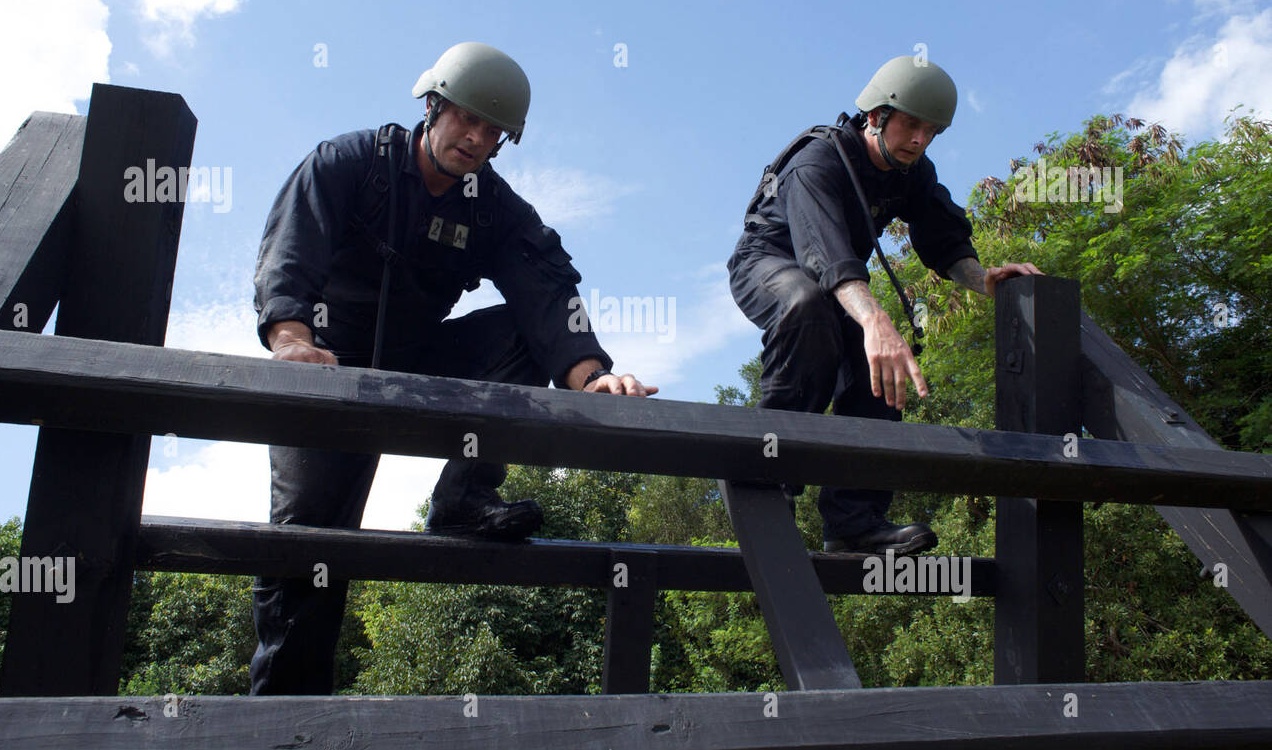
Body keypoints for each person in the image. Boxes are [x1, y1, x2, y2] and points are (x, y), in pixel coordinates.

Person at [250, 42, 655, 694]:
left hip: (417, 362)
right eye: (467, 118)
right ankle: (281, 723)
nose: (476, 138)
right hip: (325, 369)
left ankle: (465, 499)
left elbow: (548, 293)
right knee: (309, 553)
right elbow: (290, 252)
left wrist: (591, 375)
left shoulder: (492, 208)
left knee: (524, 331)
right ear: (433, 105)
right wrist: (291, 336)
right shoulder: (348, 164)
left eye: (494, 132)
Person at [727, 55, 1040, 555]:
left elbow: (942, 238)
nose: (919, 139)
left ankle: (854, 521)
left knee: (880, 361)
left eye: (931, 131)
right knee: (810, 307)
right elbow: (821, 254)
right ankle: (764, 478)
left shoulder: (912, 172)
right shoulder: (817, 161)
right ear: (875, 117)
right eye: (911, 125)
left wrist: (983, 279)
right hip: (768, 262)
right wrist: (873, 319)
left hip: (838, 277)